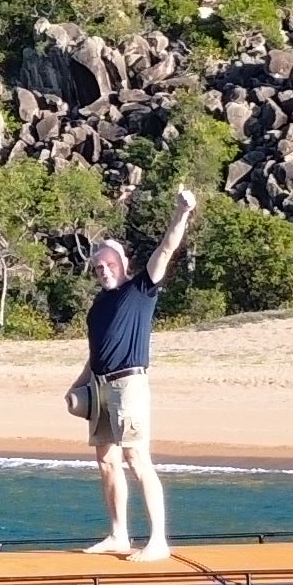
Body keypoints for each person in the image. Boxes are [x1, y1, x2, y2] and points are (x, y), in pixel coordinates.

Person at [78, 186, 198, 561]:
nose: (103, 272)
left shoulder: (141, 288)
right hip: (99, 385)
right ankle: (118, 535)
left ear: (122, 264)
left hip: (130, 383)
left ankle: (158, 541)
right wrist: (79, 384)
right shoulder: (99, 306)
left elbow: (166, 248)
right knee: (106, 460)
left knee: (136, 459)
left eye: (108, 265)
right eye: (98, 268)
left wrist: (181, 213)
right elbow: (95, 353)